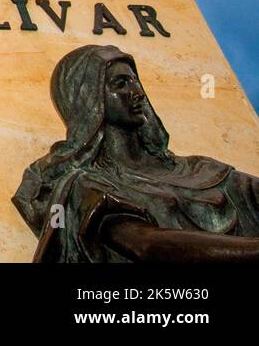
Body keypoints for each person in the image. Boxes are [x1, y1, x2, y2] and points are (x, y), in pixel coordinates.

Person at [14, 44, 259, 262]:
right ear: (87, 100)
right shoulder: (87, 184)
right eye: (120, 84)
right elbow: (147, 246)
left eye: (135, 82)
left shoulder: (205, 171)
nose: (138, 93)